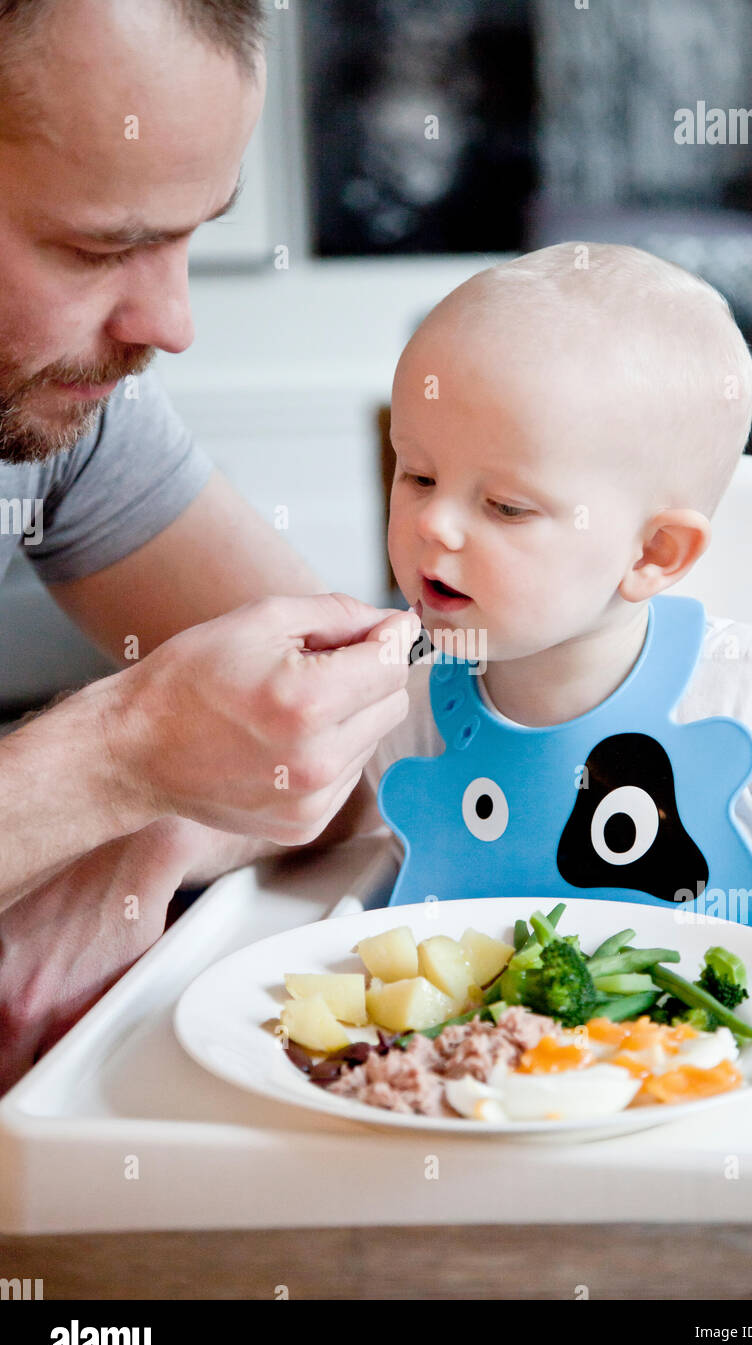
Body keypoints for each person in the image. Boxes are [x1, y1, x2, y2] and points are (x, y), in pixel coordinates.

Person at [0, 0, 419, 1092]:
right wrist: (116, 755)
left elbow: (372, 715)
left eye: (193, 231)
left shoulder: (60, 407)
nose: (172, 321)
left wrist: (153, 834)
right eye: (102, 246)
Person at [331, 242, 752, 967]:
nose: (434, 524)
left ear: (653, 554)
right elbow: (312, 863)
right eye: (418, 476)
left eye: (506, 507)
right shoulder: (398, 712)